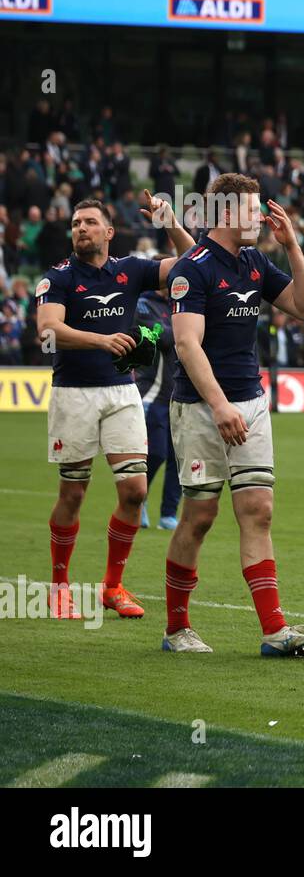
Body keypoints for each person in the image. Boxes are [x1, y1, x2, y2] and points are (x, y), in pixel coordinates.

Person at [162, 174, 304, 656]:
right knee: (200, 514)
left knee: (258, 510)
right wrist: (218, 405)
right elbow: (187, 344)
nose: (259, 216)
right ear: (223, 214)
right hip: (199, 407)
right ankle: (176, 629)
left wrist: (293, 246)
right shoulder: (191, 269)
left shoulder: (255, 262)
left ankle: (275, 632)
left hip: (250, 403)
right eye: (251, 209)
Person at [35, 196, 193, 620]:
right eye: (75, 223)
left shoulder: (131, 270)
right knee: (73, 492)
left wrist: (170, 222)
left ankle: (112, 586)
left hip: (123, 392)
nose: (80, 228)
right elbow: (48, 331)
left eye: (89, 222)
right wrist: (101, 340)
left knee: (135, 491)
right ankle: (59, 586)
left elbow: (192, 263)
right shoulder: (58, 278)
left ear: (109, 232)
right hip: (74, 394)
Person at [134, 269, 181, 531]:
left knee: (180, 459)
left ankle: (168, 513)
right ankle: (138, 499)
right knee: (157, 453)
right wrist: (185, 329)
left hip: (180, 395)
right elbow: (160, 336)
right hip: (153, 393)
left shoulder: (180, 305)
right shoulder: (143, 303)